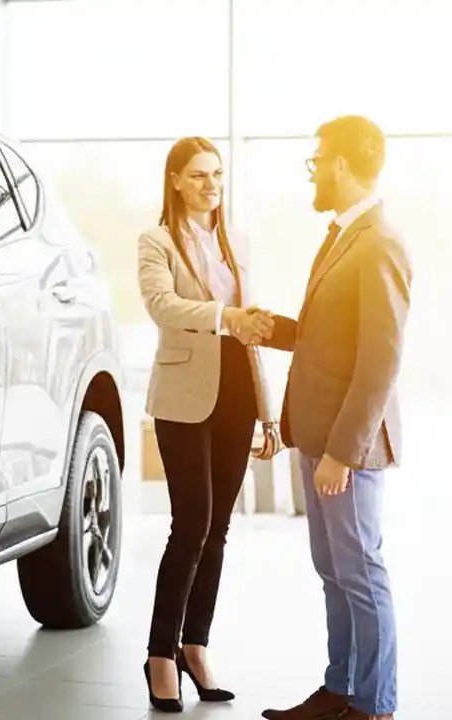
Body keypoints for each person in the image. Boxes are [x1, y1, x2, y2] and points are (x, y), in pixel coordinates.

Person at [258, 116, 412, 720]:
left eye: (317, 160)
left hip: (347, 449)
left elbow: (381, 360)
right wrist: (270, 328)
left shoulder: (380, 242)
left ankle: (374, 707)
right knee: (334, 570)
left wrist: (344, 453)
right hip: (319, 438)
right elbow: (330, 338)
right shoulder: (343, 236)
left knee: (361, 573)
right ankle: (340, 690)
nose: (314, 172)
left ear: (342, 164)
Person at [137, 136, 282, 713]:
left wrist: (267, 412)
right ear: (175, 180)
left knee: (218, 526)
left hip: (237, 391)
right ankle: (159, 653)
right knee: (190, 522)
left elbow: (252, 331)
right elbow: (162, 305)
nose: (210, 185)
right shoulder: (155, 241)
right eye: (198, 175)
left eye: (217, 174)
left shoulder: (236, 242)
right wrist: (225, 316)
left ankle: (195, 646)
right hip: (182, 396)